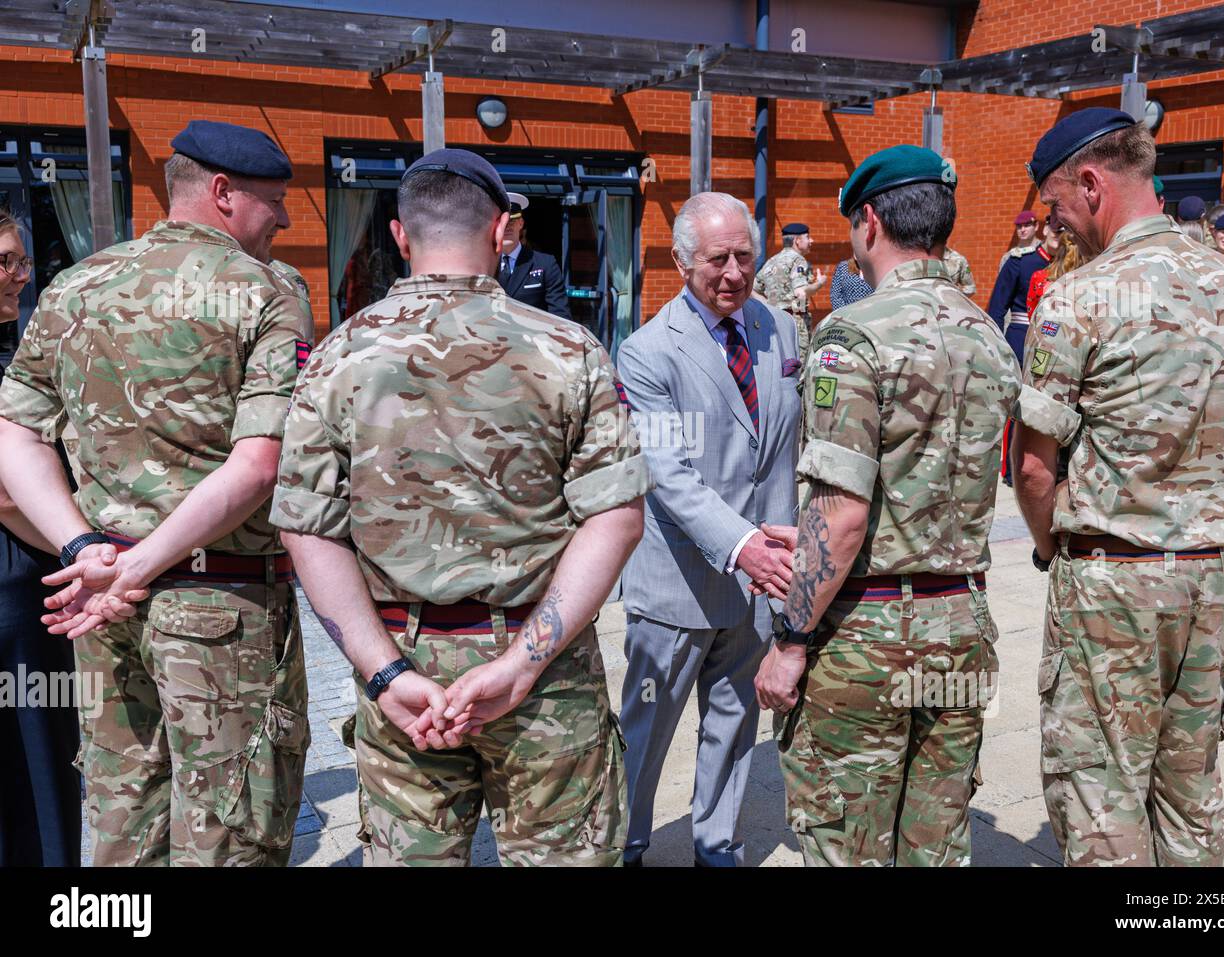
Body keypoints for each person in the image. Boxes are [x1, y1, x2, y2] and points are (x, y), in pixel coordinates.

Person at [272, 149, 649, 867]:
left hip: (403, 661)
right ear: (504, 230)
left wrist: (385, 675)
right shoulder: (570, 349)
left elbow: (304, 527)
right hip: (544, 668)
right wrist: (522, 664)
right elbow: (618, 516)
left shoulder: (336, 357)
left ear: (401, 237)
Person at [0, 119, 313, 867]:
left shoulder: (76, 285)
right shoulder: (270, 290)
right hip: (224, 612)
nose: (286, 220)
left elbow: (14, 436)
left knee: (120, 827)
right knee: (230, 836)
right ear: (223, 192)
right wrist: (128, 566)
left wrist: (88, 550)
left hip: (103, 608)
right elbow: (259, 465)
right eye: (274, 201)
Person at [1012, 108, 1224, 866]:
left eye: (1055, 208)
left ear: (1091, 184)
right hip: (1212, 581)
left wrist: (1049, 546)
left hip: (1111, 580)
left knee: (1100, 795)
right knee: (1190, 792)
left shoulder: (1078, 297)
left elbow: (1033, 468)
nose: (1054, 230)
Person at [755, 145, 1019, 866]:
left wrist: (789, 638)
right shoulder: (987, 335)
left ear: (869, 220)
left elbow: (841, 516)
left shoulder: (853, 335)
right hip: (961, 617)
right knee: (935, 842)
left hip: (868, 633)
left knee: (850, 845)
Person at [615, 191, 800, 867]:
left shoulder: (782, 330)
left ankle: (716, 842)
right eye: (716, 258)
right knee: (646, 728)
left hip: (759, 584)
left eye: (744, 256)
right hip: (679, 582)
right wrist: (742, 544)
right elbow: (666, 472)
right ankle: (628, 843)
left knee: (734, 721)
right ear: (679, 260)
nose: (733, 272)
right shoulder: (646, 353)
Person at [0, 211, 82, 867]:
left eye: (21, 259)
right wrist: (83, 548)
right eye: (6, 260)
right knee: (36, 775)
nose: (22, 272)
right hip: (14, 598)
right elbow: (5, 491)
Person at [989, 216, 1062, 486]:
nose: (1058, 234)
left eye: (1064, 229)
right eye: (1054, 228)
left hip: (1059, 342)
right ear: (1045, 229)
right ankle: (1010, 468)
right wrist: (999, 349)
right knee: (1019, 404)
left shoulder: (1072, 262)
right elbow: (997, 308)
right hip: (1022, 338)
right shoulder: (1021, 262)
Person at [752, 222, 826, 358]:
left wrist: (768, 305)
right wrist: (819, 284)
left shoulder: (771, 261)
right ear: (797, 241)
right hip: (794, 323)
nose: (811, 241)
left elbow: (752, 289)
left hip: (772, 321)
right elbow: (801, 292)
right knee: (798, 366)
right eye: (808, 237)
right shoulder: (798, 260)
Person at [495, 192, 570, 320]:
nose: (507, 227)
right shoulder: (483, 264)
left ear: (521, 223)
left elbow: (560, 315)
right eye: (503, 222)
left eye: (512, 222)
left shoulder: (545, 264)